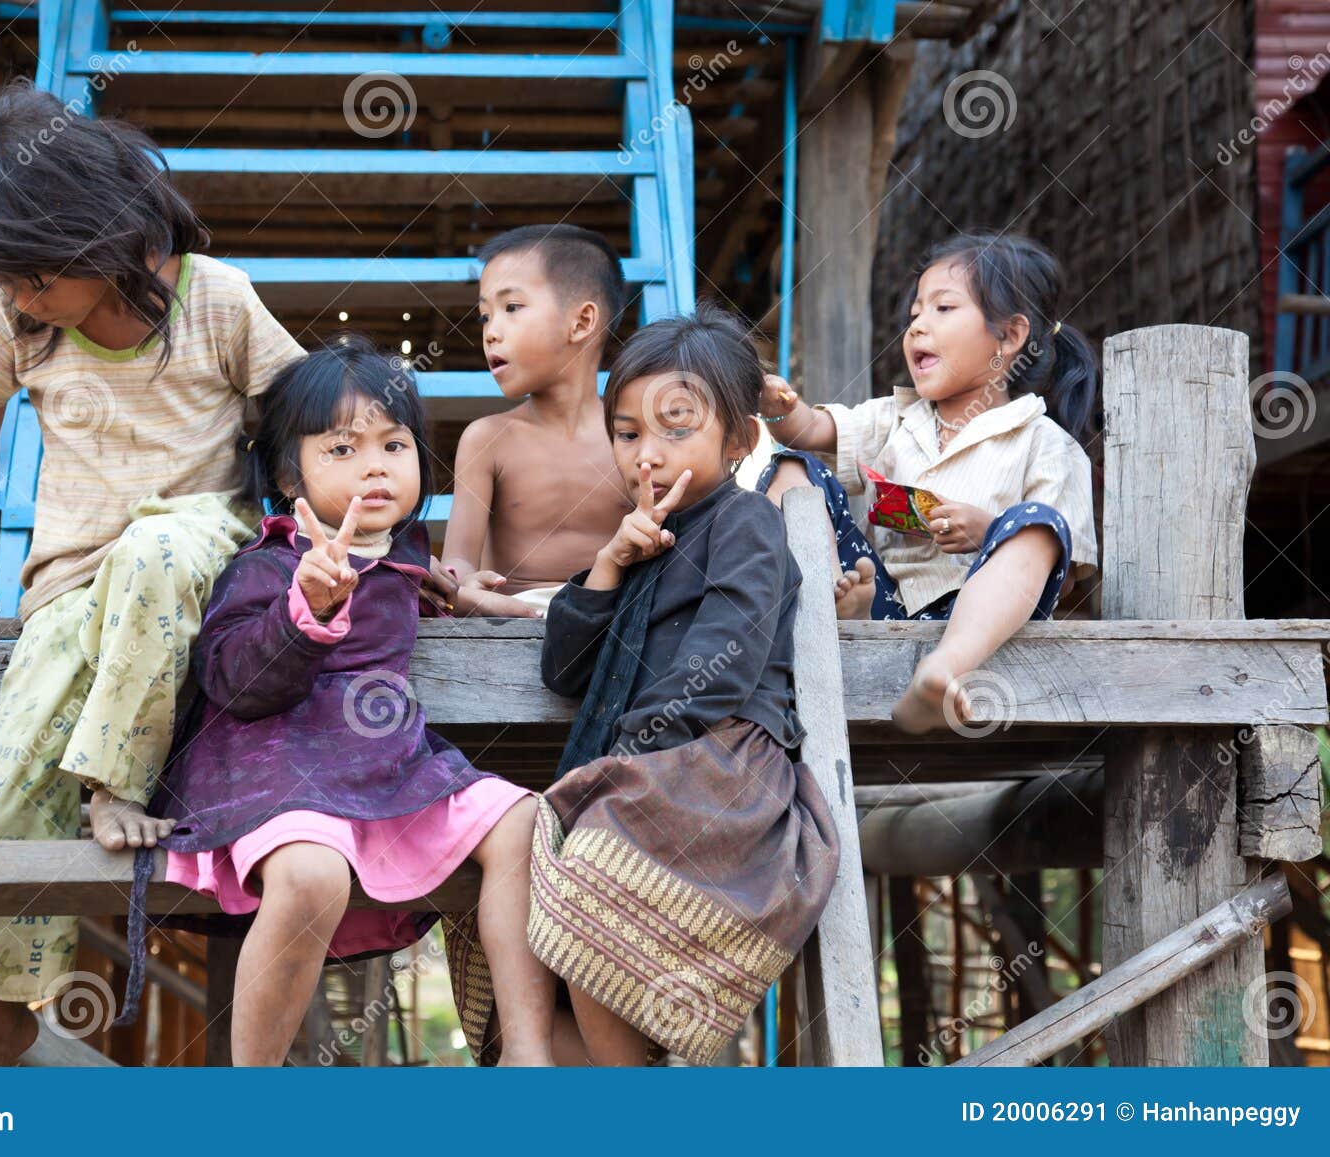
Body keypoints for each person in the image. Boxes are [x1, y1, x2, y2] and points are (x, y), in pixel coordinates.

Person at [0, 79, 304, 1064]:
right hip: (69, 587)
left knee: (154, 545)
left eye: (35, 274)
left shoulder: (218, 300)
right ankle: (2, 1020)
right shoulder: (13, 317)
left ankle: (114, 782)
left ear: (99, 239)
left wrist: (344, 553)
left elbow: (307, 423)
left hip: (197, 551)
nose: (20, 295)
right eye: (9, 278)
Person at [142, 337, 555, 1066]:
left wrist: (469, 595)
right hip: (271, 771)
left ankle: (527, 1056)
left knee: (523, 817)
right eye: (341, 448)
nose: (375, 465)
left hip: (384, 766)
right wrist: (302, 609)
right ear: (284, 472)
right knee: (312, 873)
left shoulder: (405, 559)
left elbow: (428, 592)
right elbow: (233, 680)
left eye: (394, 444)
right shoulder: (265, 563)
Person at [523, 304, 839, 1066]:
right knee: (518, 886)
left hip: (720, 769)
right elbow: (562, 671)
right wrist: (606, 567)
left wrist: (631, 752)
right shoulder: (639, 540)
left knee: (594, 859)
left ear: (735, 439)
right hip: (648, 773)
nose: (648, 456)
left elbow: (722, 664)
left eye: (676, 429)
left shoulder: (745, 523)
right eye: (627, 433)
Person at [757, 231, 1098, 733]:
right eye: (915, 313)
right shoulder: (896, 419)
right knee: (792, 468)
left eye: (942, 309)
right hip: (883, 603)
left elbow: (1062, 574)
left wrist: (989, 530)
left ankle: (941, 669)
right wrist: (780, 408)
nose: (918, 326)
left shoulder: (1044, 442)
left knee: (1037, 522)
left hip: (982, 621)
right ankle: (833, 605)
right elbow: (810, 432)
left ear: (1009, 336)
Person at [444, 224, 632, 617]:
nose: (491, 333)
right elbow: (457, 563)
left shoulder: (631, 434)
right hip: (515, 622)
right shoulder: (488, 439)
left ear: (581, 323)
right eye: (484, 317)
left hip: (616, 616)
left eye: (511, 308)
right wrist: (465, 586)